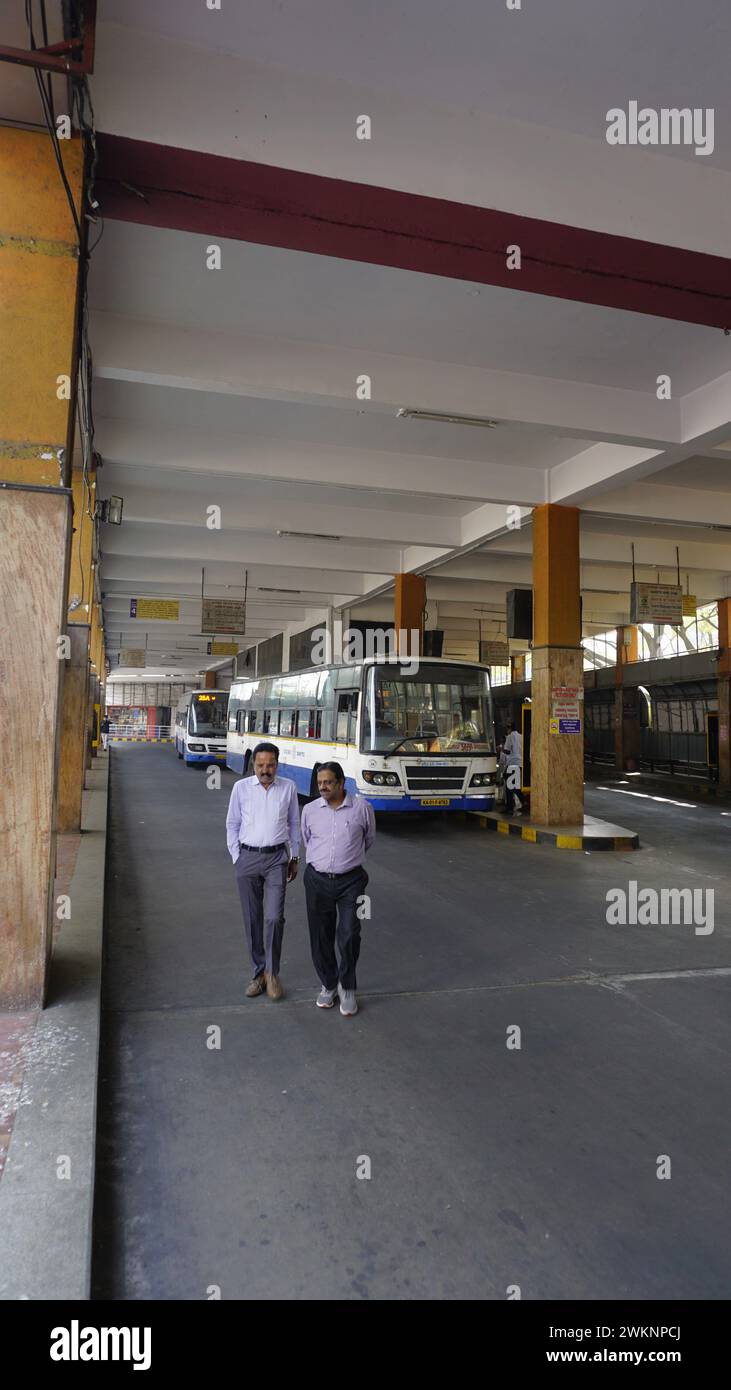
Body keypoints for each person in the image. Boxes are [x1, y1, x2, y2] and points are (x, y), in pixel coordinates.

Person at [225, 742, 300, 1000]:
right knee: (252, 918)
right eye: (260, 765)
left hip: (277, 859)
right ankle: (258, 974)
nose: (265, 770)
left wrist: (295, 856)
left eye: (270, 765)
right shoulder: (241, 788)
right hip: (247, 858)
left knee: (274, 918)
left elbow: (293, 823)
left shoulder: (288, 788)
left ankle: (272, 973)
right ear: (253, 765)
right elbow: (232, 824)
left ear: (277, 764)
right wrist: (237, 856)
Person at [301, 762, 375, 1017]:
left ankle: (348, 988)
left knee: (349, 934)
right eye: (320, 782)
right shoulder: (310, 810)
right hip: (316, 880)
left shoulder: (362, 808)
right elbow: (307, 839)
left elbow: (368, 839)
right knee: (320, 935)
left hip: (352, 881)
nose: (323, 786)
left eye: (328, 782)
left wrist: (347, 861)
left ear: (341, 782)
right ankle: (329, 984)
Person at [503, 721, 524, 815]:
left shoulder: (509, 736)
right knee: (515, 785)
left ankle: (509, 808)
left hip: (512, 763)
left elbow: (507, 751)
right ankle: (524, 802)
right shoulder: (521, 736)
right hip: (520, 764)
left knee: (509, 786)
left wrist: (501, 749)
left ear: (509, 728)